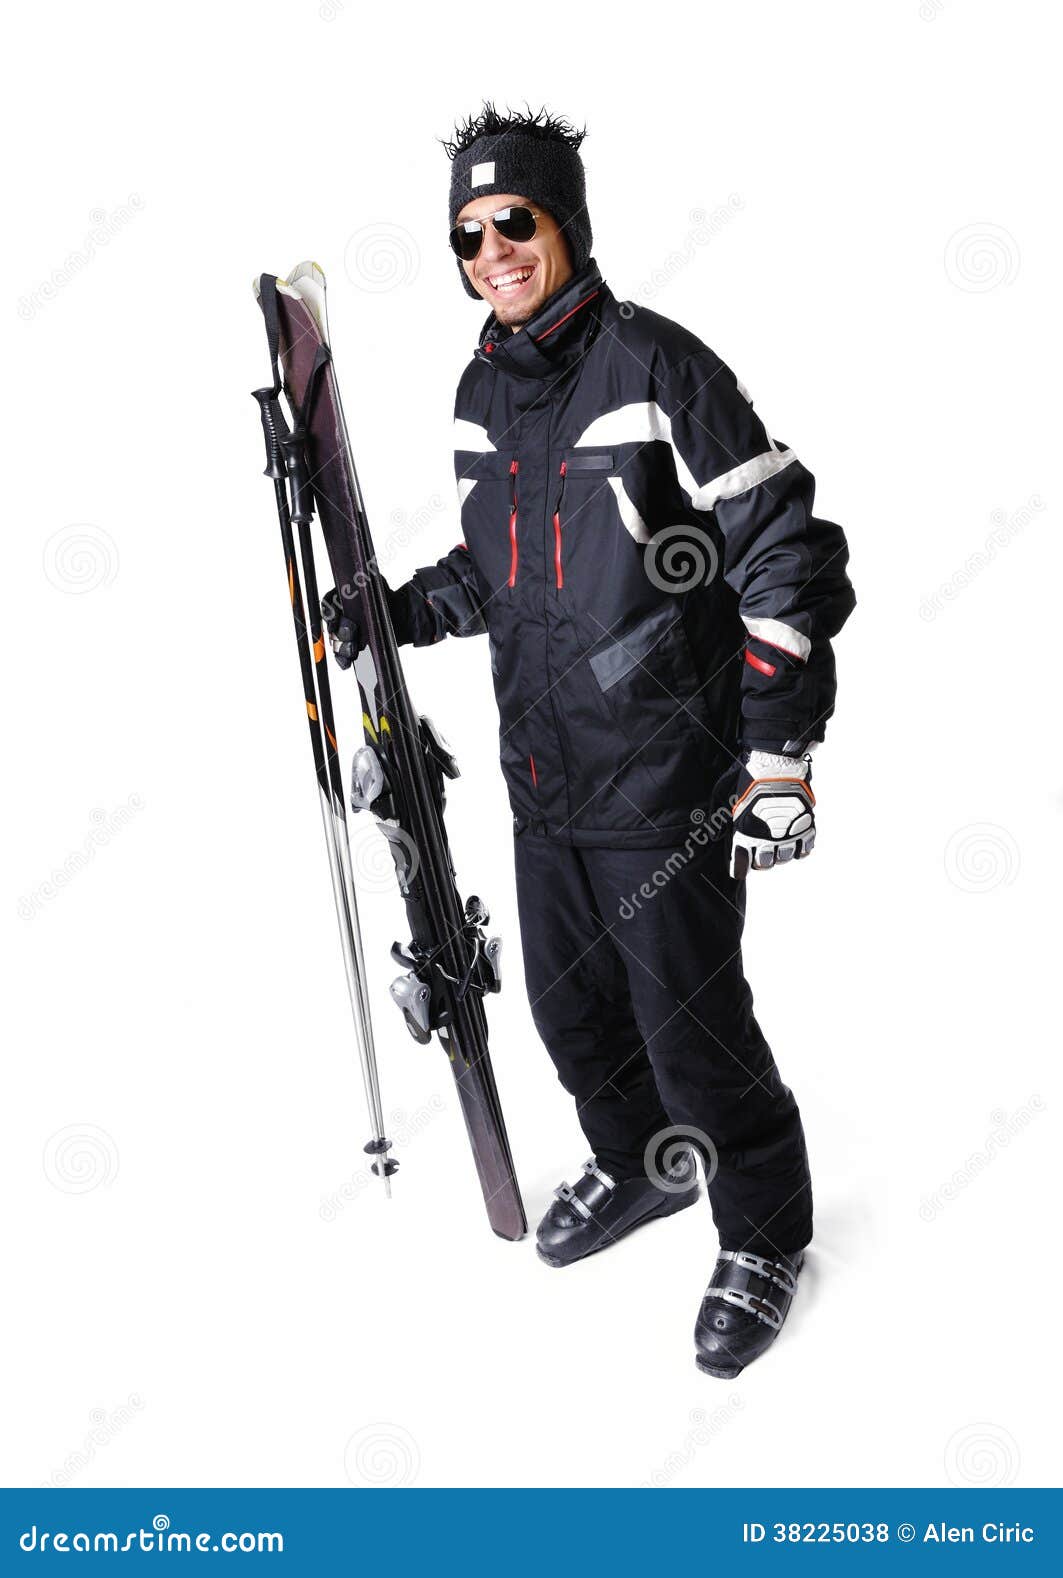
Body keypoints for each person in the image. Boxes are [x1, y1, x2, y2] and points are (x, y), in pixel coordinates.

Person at [326, 103, 855, 1377]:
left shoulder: (659, 368)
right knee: (570, 1016)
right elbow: (499, 573)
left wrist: (778, 753)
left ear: (564, 222)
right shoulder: (477, 394)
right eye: (468, 233)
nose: (494, 249)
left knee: (693, 1026)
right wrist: (400, 613)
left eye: (517, 221)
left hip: (668, 780)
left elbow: (785, 550)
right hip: (542, 775)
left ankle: (764, 1230)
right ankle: (636, 1163)